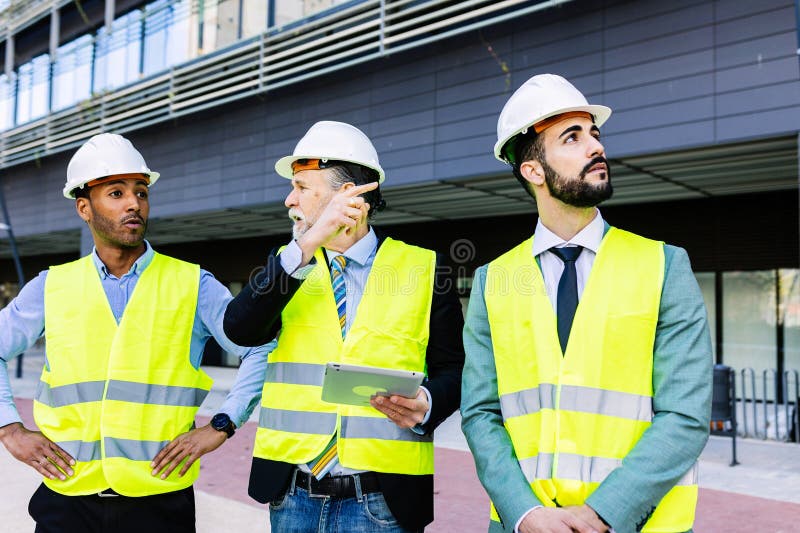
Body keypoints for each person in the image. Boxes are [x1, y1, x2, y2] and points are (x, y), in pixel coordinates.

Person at [460, 74, 712, 533]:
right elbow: (481, 414)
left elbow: (687, 415)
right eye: (572, 138)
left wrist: (602, 513)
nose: (594, 147)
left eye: (594, 134)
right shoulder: (492, 280)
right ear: (533, 170)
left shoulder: (664, 265)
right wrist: (525, 513)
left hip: (637, 524)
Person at [0, 133, 269, 533]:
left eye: (141, 192)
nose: (134, 203)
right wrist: (9, 427)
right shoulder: (50, 286)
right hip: (67, 499)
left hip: (159, 501)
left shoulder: (192, 283)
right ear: (84, 208)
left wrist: (223, 425)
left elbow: (260, 347)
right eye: (116, 192)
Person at [223, 120, 465, 532]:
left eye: (302, 187)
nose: (289, 199)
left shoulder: (423, 268)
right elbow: (239, 329)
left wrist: (427, 402)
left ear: (349, 195)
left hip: (384, 500)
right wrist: (307, 243)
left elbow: (455, 372)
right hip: (293, 494)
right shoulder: (289, 263)